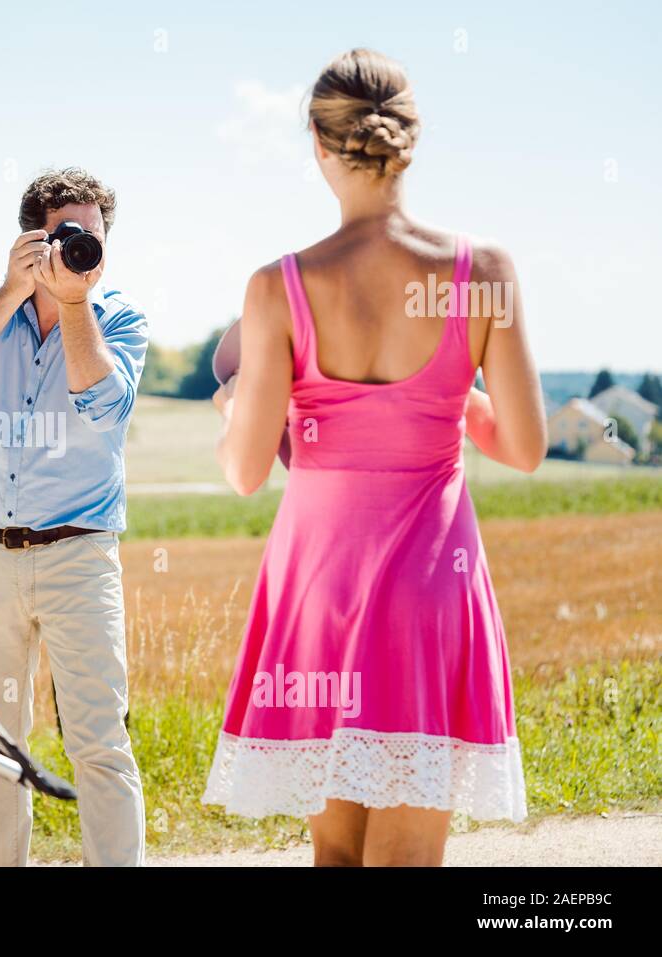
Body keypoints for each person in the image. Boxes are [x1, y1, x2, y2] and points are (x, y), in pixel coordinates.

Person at [200, 49, 546, 866]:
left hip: (317, 586)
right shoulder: (482, 272)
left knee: (339, 860)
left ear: (319, 148)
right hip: (432, 585)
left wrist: (234, 405)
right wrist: (441, 396)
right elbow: (525, 447)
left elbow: (244, 471)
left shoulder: (276, 285)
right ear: (409, 142)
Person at [0, 168, 148, 866]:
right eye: (66, 234)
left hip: (79, 554)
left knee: (99, 741)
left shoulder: (119, 317)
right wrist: (15, 289)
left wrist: (74, 305)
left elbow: (104, 405)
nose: (82, 249)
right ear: (30, 237)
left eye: (93, 238)